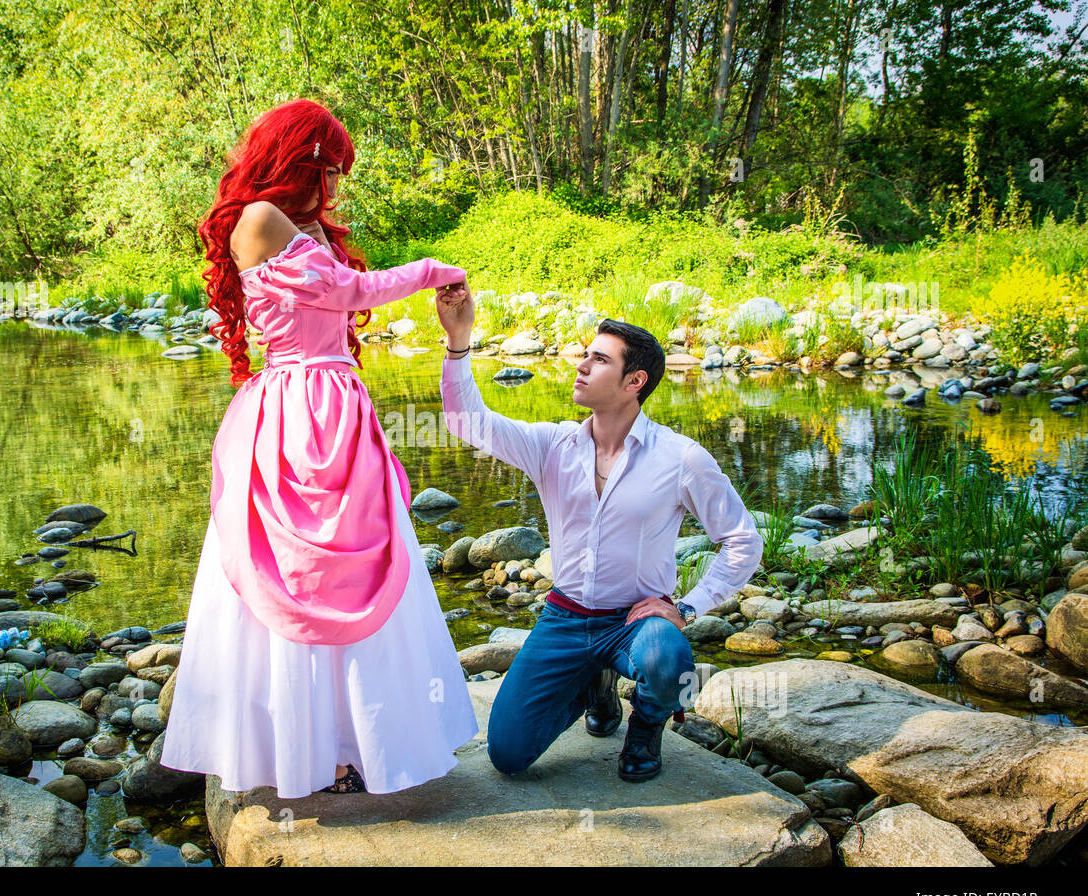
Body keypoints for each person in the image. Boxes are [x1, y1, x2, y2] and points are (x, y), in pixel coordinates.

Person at [160, 99, 478, 798]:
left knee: (356, 563)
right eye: (327, 167)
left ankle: (349, 739)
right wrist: (430, 268)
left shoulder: (294, 223)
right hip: (299, 408)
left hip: (331, 404)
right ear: (296, 158)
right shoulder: (261, 220)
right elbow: (348, 291)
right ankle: (310, 751)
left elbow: (339, 296)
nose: (332, 184)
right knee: (297, 571)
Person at [435, 283, 764, 781]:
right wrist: (458, 340)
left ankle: (646, 728)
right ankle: (596, 687)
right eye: (585, 355)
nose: (581, 366)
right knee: (507, 754)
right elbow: (467, 421)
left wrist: (689, 605)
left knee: (669, 657)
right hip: (564, 619)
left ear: (635, 381)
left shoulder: (680, 458)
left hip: (634, 622)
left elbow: (742, 539)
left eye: (599, 360)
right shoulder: (552, 445)